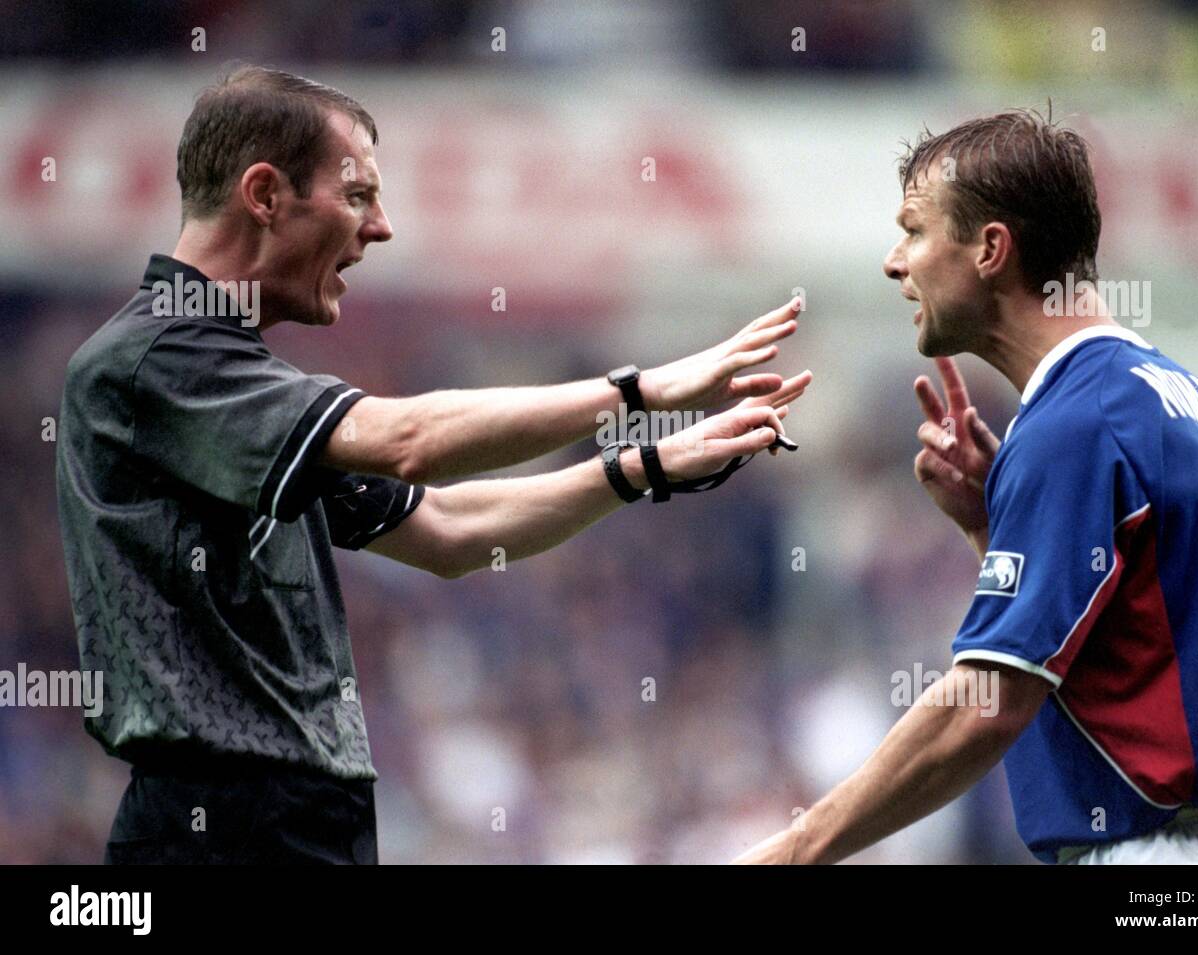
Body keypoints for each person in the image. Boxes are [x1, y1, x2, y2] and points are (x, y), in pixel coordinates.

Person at [55, 65, 811, 864]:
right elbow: (408, 438)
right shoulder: (151, 358)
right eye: (357, 197)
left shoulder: (229, 383)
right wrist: (639, 390)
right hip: (222, 831)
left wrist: (642, 468)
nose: (381, 228)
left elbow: (447, 528)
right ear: (265, 194)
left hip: (292, 821)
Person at [734, 109, 1198, 865]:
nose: (894, 263)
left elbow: (986, 706)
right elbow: (1133, 650)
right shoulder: (1172, 395)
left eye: (915, 230)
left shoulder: (1075, 423)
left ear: (991, 250)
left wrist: (795, 848)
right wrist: (992, 526)